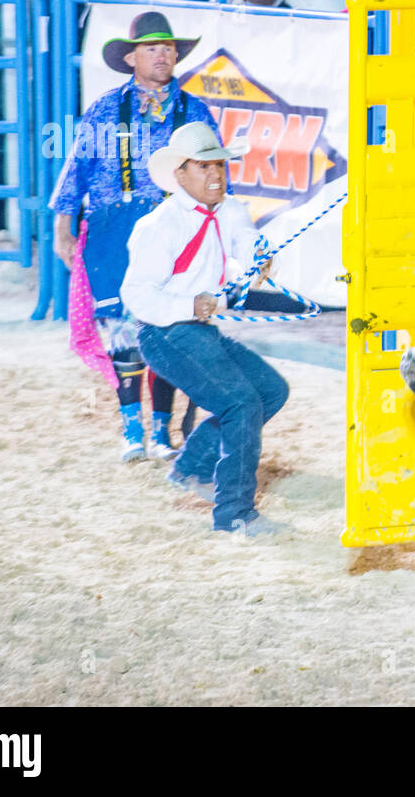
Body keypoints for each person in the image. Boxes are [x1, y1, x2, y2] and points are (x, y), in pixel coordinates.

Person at [50, 11, 222, 463]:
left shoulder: (195, 112)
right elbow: (78, 167)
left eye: (168, 48)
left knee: (166, 324)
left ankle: (162, 432)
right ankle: (132, 431)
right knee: (121, 327)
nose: (163, 55)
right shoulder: (106, 108)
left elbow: (215, 173)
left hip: (174, 227)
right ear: (132, 58)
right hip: (113, 227)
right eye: (152, 48)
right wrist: (62, 226)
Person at [121, 122, 289, 536]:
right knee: (242, 404)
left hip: (197, 329)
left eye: (220, 165)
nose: (216, 174)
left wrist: (259, 260)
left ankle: (193, 467)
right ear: (180, 174)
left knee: (271, 391)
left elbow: (245, 241)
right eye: (204, 166)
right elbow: (136, 295)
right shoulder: (159, 226)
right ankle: (235, 514)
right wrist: (188, 304)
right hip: (163, 333)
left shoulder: (228, 209)